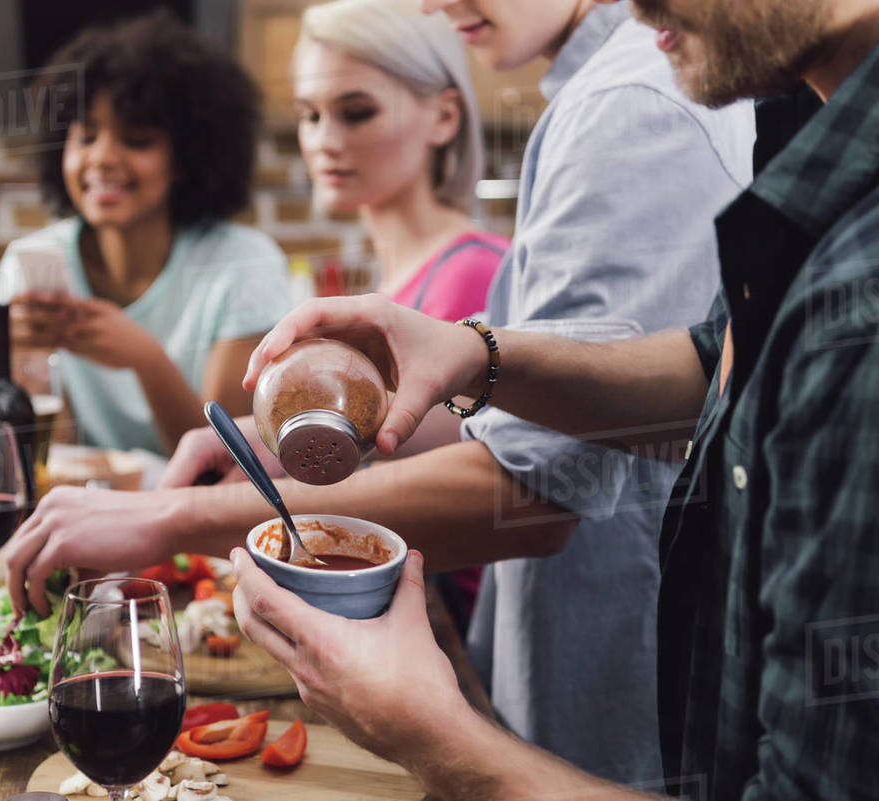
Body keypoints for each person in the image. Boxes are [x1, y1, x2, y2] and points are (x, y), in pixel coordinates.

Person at [4, 0, 755, 784]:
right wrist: (445, 375)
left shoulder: (624, 109)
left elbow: (534, 488)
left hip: (618, 679)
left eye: (354, 111)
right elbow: (656, 385)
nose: (433, 2)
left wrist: (170, 518)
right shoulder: (598, 96)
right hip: (556, 665)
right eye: (309, 115)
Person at [230, 0, 879, 797]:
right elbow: (717, 366)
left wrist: (436, 736)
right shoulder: (817, 153)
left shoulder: (858, 286)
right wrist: (475, 353)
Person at [292, 0, 508, 615]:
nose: (324, 141)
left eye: (356, 112)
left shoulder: (473, 270)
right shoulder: (395, 280)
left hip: (456, 628)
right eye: (308, 116)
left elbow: (441, 482)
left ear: (444, 116)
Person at [0, 11, 291, 455]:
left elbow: (225, 464)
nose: (102, 159)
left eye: (136, 141)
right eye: (85, 137)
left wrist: (146, 361)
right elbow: (50, 458)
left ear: (187, 157)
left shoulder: (243, 263)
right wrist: (20, 360)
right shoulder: (33, 262)